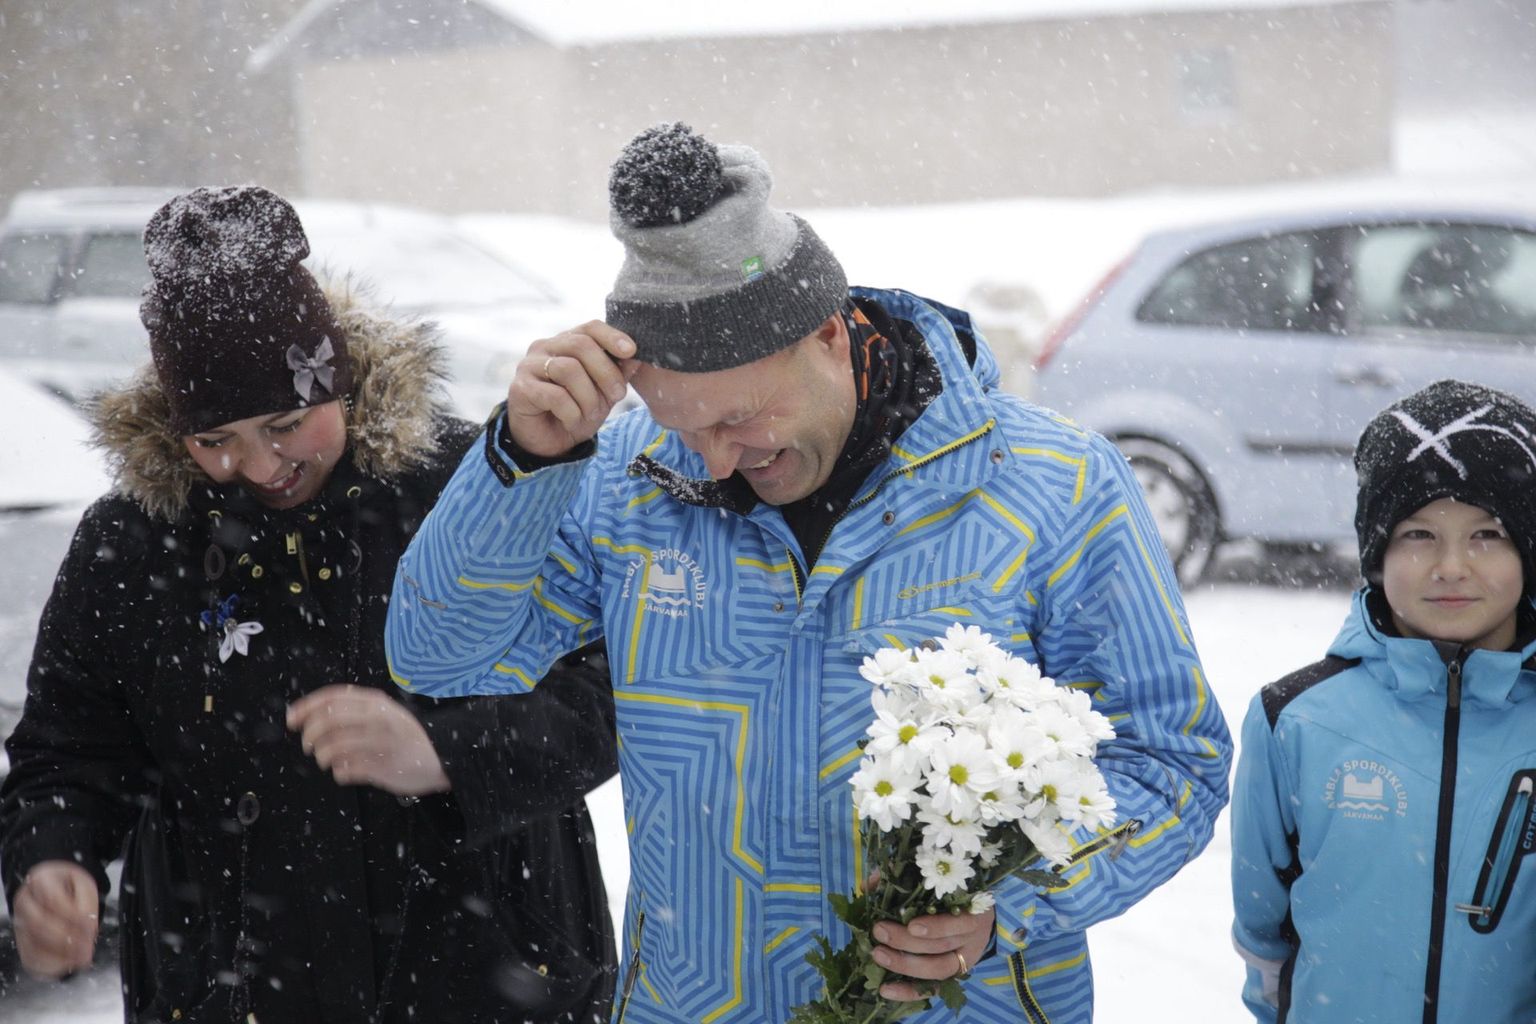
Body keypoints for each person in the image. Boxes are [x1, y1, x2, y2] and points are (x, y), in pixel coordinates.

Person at [385, 123, 1232, 1023]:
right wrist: (521, 463)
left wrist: (1007, 906)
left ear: (830, 334)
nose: (711, 462)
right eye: (684, 427)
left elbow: (1172, 762)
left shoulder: (1050, 486)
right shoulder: (624, 479)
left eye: (738, 417)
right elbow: (439, 659)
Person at [0, 186, 618, 1024]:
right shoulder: (135, 538)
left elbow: (608, 689)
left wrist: (449, 753)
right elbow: (66, 749)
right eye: (214, 440)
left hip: (495, 982)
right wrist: (52, 860)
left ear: (341, 381)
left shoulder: (467, 487)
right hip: (228, 990)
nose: (259, 466)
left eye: (287, 422)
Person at [1230, 379, 1536, 1022]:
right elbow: (1264, 934)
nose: (1451, 566)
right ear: (1375, 550)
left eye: (1487, 535)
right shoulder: (1296, 720)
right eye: (1418, 534)